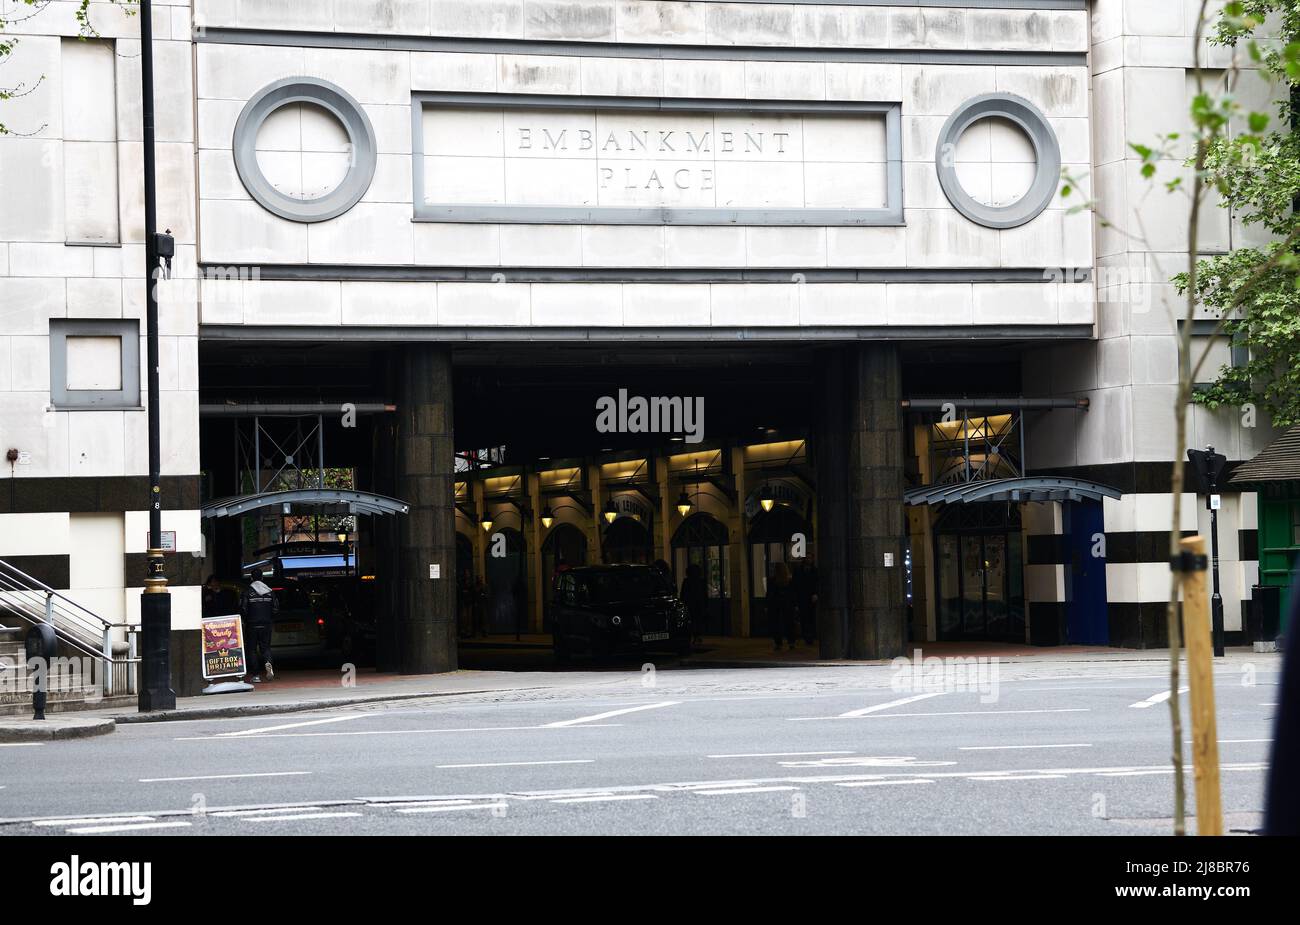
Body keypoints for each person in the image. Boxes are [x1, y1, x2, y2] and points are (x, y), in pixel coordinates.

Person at [239, 569, 278, 683]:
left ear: (251, 578)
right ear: (262, 578)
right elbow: (275, 609)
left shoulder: (247, 592)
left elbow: (243, 609)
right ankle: (268, 663)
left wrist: (246, 620)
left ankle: (256, 675)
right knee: (265, 648)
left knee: (252, 650)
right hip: (266, 624)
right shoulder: (270, 592)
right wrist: (269, 619)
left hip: (252, 625)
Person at [767, 562, 797, 651]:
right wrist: (794, 604)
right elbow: (793, 594)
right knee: (789, 623)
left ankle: (778, 643)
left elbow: (769, 594)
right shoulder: (789, 581)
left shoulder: (773, 581)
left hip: (776, 605)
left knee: (776, 624)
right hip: (787, 604)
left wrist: (768, 605)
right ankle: (791, 642)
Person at [680, 563, 709, 645]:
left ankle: (693, 636)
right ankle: (697, 636)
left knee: (691, 621)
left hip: (690, 605)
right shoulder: (701, 581)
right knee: (698, 621)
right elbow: (704, 595)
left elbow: (683, 594)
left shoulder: (686, 582)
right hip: (698, 605)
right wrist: (706, 605)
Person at [793, 561, 818, 646]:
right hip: (802, 598)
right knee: (804, 618)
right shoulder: (798, 571)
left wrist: (816, 593)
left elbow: (817, 583)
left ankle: (811, 636)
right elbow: (795, 585)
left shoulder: (815, 570)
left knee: (811, 617)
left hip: (811, 598)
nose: (808, 560)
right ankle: (806, 636)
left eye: (810, 558)